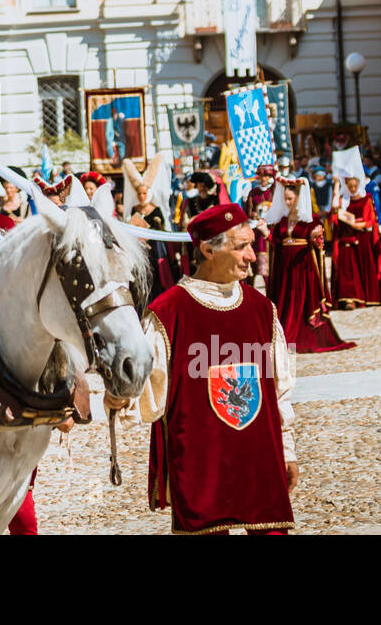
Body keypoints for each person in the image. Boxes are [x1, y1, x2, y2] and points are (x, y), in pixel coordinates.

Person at [123, 203, 298, 535]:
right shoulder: (168, 313)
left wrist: (287, 449)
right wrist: (122, 396)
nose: (252, 255)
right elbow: (146, 395)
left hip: (259, 460)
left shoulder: (261, 308)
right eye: (241, 246)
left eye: (252, 245)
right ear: (207, 250)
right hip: (202, 467)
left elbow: (280, 391)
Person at [265, 179, 355, 353]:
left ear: (299, 198)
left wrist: (316, 238)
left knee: (302, 300)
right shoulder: (281, 221)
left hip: (303, 266)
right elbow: (275, 241)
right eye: (285, 199)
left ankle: (300, 336)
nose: (287, 202)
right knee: (286, 301)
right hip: (285, 268)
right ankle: (283, 336)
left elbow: (319, 245)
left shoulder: (310, 219)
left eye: (291, 198)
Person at [332, 175, 381, 309]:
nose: (352, 189)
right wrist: (336, 185)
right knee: (350, 271)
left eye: (355, 186)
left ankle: (367, 297)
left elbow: (370, 219)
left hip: (364, 239)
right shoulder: (343, 200)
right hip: (348, 239)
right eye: (350, 187)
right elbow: (334, 211)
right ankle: (351, 299)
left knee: (365, 269)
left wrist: (360, 225)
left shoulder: (366, 198)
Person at [244, 164, 278, 282]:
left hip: (271, 230)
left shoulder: (274, 192)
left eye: (267, 176)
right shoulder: (253, 193)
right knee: (256, 261)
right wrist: (254, 215)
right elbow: (248, 211)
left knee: (271, 262)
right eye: (261, 176)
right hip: (257, 231)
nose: (264, 179)